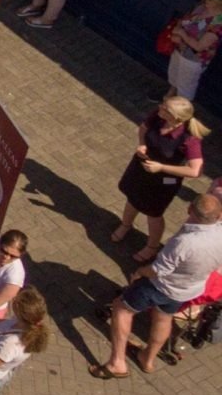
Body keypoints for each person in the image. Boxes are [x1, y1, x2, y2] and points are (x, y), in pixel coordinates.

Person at [92, 193, 222, 378]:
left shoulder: (184, 243)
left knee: (121, 309)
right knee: (163, 318)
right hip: (187, 290)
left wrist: (140, 272)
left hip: (159, 287)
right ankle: (147, 359)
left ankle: (117, 363)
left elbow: (158, 270)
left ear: (189, 209)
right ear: (219, 216)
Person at [113, 96, 208, 262]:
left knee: (153, 213)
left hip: (165, 181)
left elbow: (195, 171)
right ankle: (125, 225)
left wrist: (161, 167)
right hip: (141, 169)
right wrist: (142, 144)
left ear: (176, 118)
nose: (160, 108)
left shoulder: (190, 139)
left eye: (165, 108)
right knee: (132, 199)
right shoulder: (158, 116)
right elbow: (143, 128)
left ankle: (152, 246)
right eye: (163, 105)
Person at [163, 0, 222, 101]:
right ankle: (169, 95)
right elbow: (183, 20)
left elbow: (199, 46)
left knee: (185, 87)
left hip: (193, 59)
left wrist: (182, 34)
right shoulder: (201, 7)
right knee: (174, 74)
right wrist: (176, 33)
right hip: (179, 49)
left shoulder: (218, 24)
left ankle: (179, 109)